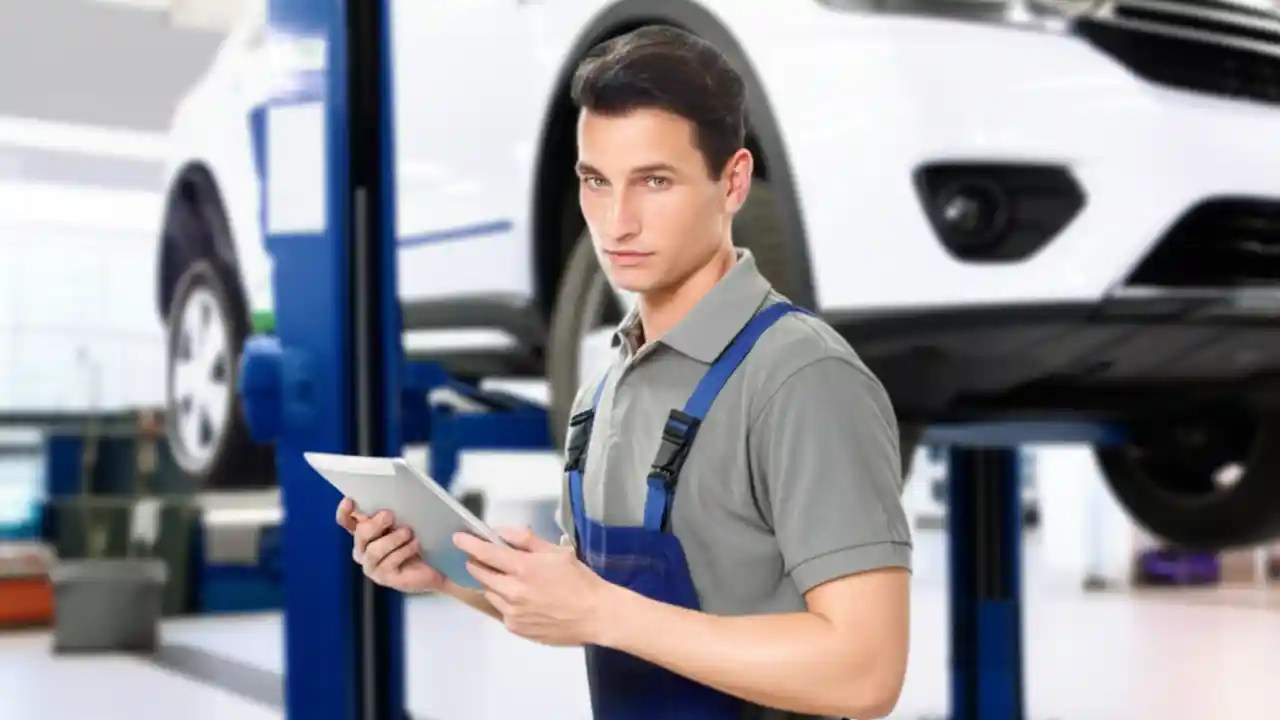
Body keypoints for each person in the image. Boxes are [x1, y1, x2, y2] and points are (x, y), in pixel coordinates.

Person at [336, 24, 912, 720]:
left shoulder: (802, 380)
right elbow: (582, 604)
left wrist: (607, 613)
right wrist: (446, 573)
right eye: (596, 182)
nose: (617, 222)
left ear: (732, 182)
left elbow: (865, 673)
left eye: (654, 182)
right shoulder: (605, 390)